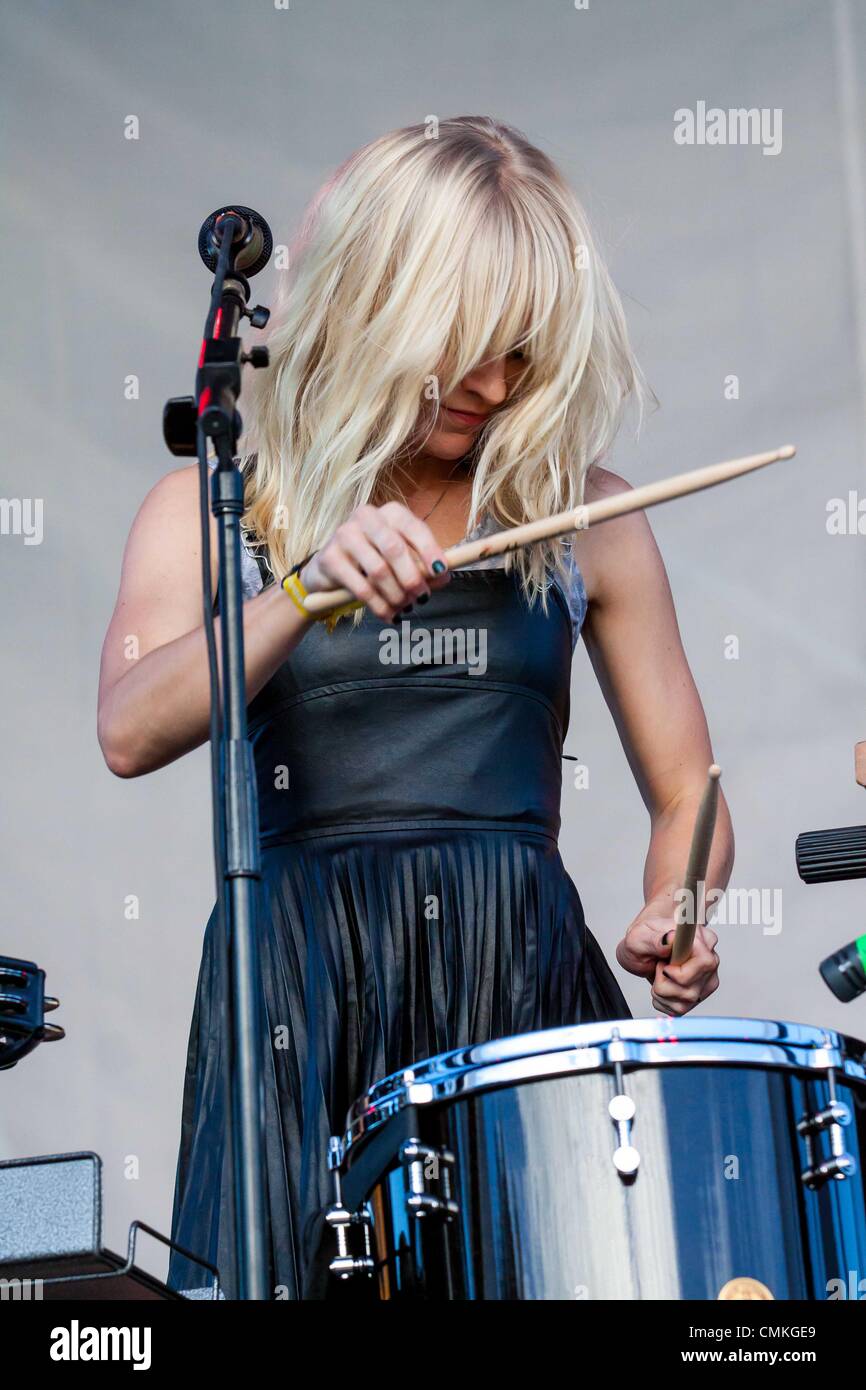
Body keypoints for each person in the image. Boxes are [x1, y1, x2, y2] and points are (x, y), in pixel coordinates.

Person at [97, 116, 733, 1298]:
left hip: (519, 986)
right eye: (464, 348)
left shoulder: (585, 509)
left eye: (522, 355)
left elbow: (689, 789)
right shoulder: (216, 505)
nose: (493, 389)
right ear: (380, 305)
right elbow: (130, 727)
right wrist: (301, 588)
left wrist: (682, 904)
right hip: (296, 989)